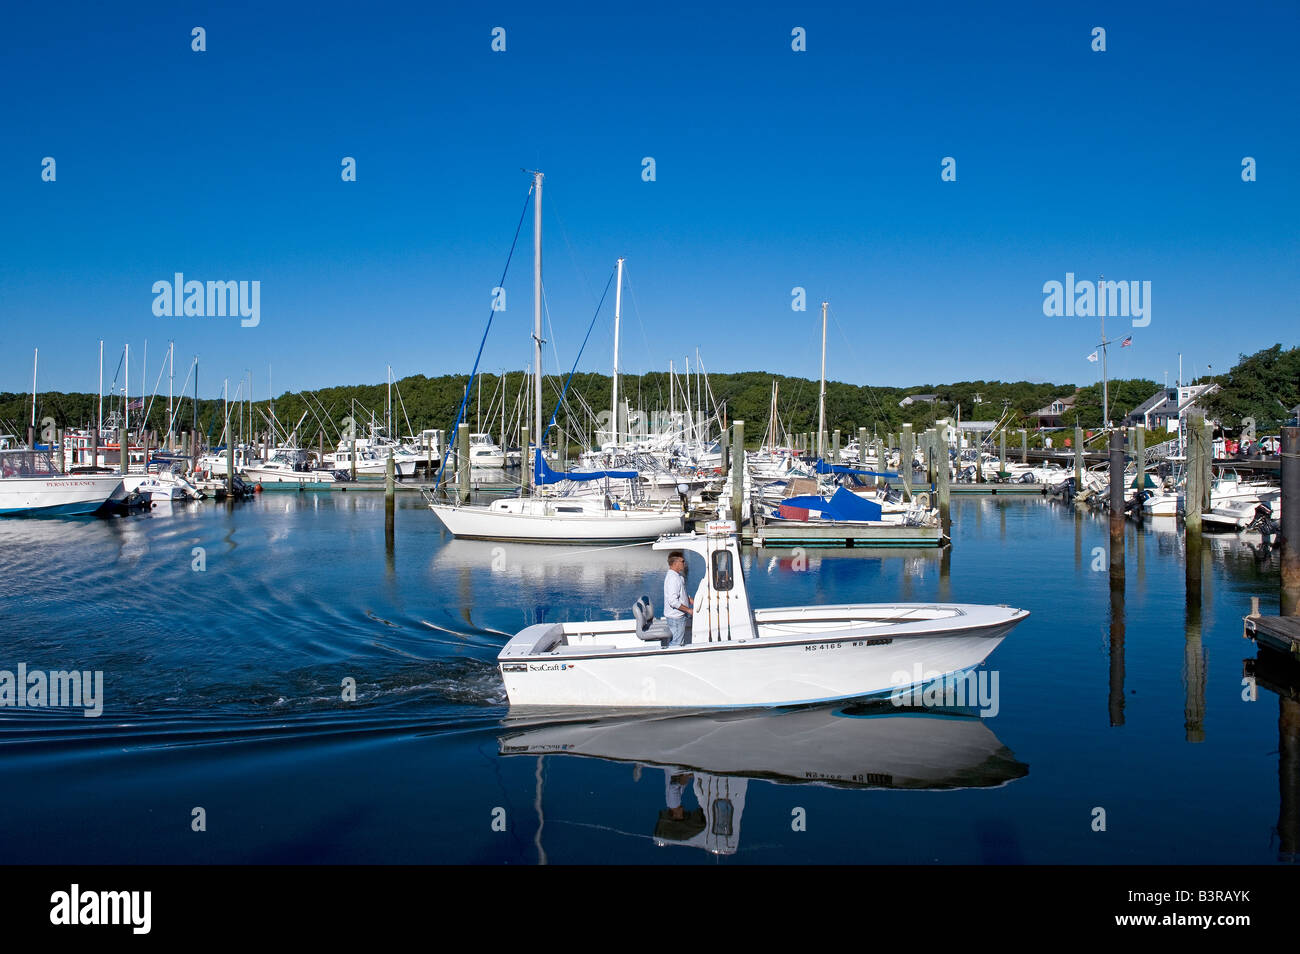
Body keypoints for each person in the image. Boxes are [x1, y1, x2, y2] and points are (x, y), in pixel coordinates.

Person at [663, 550, 693, 647]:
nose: (684, 563)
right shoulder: (673, 578)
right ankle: (671, 660)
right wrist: (688, 610)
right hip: (676, 618)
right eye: (683, 561)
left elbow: (681, 595)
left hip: (679, 616)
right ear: (676, 563)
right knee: (677, 643)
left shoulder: (677, 576)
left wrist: (691, 601)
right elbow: (673, 601)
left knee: (678, 641)